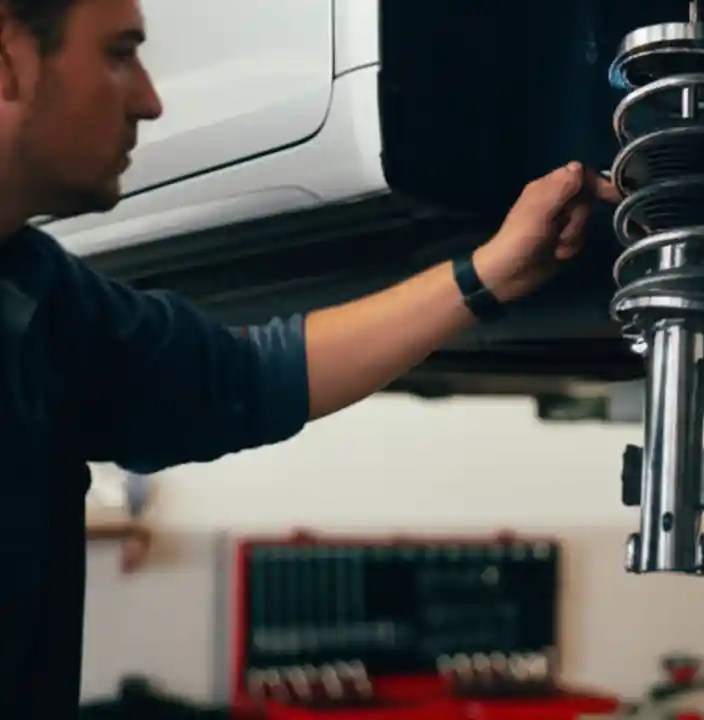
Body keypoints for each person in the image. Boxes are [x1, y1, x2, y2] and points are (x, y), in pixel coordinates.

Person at [0, 0, 618, 715]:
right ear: (9, 60)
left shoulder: (43, 294)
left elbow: (253, 378)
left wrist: (488, 275)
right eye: (118, 53)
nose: (149, 98)